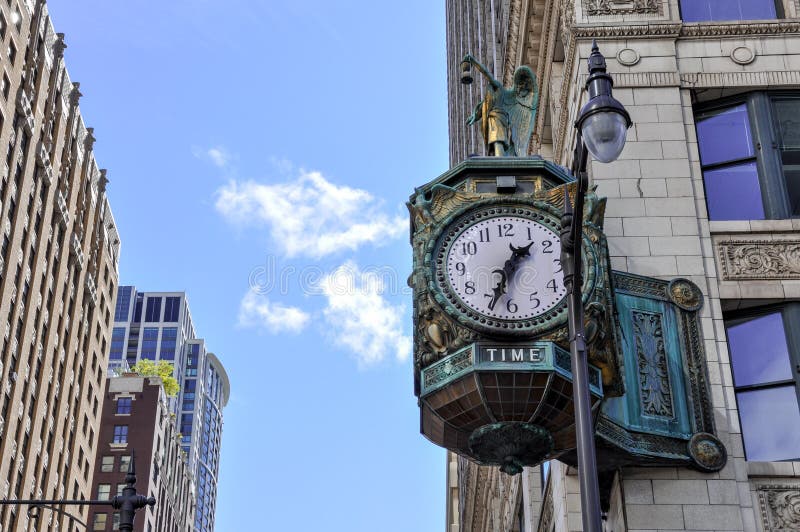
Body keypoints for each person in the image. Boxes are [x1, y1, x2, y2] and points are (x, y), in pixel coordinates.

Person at [463, 54, 538, 157]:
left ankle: (501, 159)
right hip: (494, 119)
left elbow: (486, 73)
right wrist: (474, 116)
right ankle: (500, 158)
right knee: (495, 143)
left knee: (497, 141)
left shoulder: (498, 87)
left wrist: (474, 62)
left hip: (498, 118)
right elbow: (483, 106)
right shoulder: (491, 95)